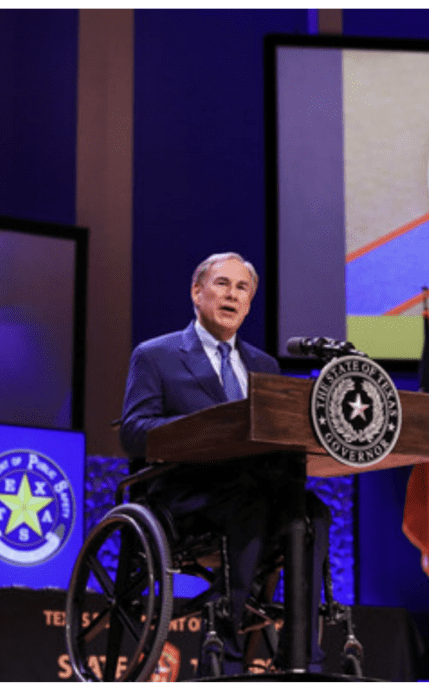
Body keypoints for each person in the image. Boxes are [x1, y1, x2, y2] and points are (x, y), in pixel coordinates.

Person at [120, 251, 330, 675]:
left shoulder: (264, 366)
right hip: (183, 494)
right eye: (222, 284)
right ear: (197, 293)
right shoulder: (155, 355)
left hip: (253, 490)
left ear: (249, 303)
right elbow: (134, 431)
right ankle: (226, 646)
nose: (232, 295)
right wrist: (206, 429)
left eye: (242, 289)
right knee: (251, 502)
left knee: (312, 512)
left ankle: (301, 655)